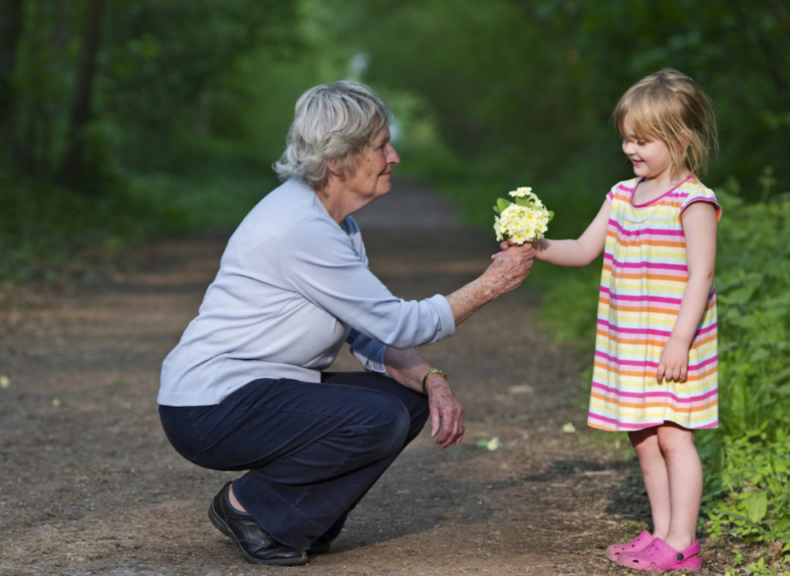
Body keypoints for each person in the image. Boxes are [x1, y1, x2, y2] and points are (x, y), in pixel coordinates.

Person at [157, 81, 535, 566]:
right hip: (209, 405)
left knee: (404, 402)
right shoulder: (300, 228)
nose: (394, 156)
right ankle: (249, 507)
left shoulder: (336, 224)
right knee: (377, 417)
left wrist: (429, 378)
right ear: (336, 159)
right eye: (380, 146)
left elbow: (368, 333)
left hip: (260, 389)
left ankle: (293, 519)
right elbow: (402, 324)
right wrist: (490, 285)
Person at [528, 69, 719, 572]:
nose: (630, 149)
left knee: (676, 437)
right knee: (643, 438)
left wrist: (680, 340)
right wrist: (537, 246)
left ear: (679, 140)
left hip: (673, 344)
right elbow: (584, 250)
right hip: (629, 343)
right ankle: (660, 533)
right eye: (626, 140)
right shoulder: (620, 195)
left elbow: (701, 276)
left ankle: (683, 542)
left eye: (641, 140)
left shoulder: (692, 201)